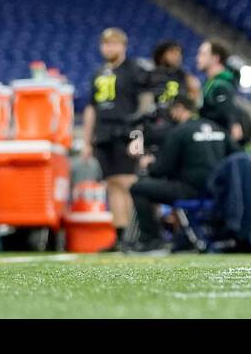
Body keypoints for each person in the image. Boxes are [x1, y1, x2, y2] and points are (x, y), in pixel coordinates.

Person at [128, 92, 234, 252]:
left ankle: (151, 239)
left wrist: (149, 164)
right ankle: (183, 237)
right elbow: (237, 156)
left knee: (138, 188)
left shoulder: (179, 132)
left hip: (189, 190)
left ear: (179, 108)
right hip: (219, 191)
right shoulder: (217, 128)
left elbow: (162, 169)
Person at [82, 28, 151, 249]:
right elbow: (91, 109)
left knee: (127, 183)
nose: (108, 48)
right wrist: (86, 141)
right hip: (103, 135)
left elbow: (145, 103)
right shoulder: (98, 73)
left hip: (125, 133)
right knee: (111, 184)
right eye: (105, 44)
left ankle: (134, 234)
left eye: (113, 43)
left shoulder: (134, 70)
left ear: (123, 46)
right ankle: (120, 236)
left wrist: (139, 135)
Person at [196, 37, 243, 140]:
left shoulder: (220, 85)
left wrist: (234, 124)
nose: (198, 58)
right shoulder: (212, 82)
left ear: (215, 58)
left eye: (202, 54)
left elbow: (229, 113)